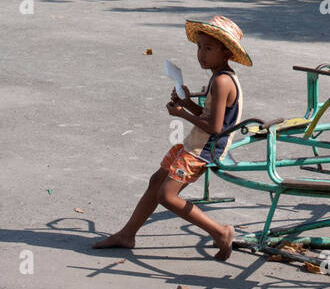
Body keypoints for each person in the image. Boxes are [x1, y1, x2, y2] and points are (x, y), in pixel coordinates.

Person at [92, 15, 251, 261]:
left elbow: (215, 127)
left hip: (204, 149)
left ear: (226, 52)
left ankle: (220, 232)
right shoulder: (218, 76)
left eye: (208, 49)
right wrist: (187, 102)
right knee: (156, 181)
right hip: (195, 143)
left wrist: (182, 114)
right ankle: (127, 234)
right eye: (199, 47)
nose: (201, 54)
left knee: (167, 196)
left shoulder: (222, 82)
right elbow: (209, 115)